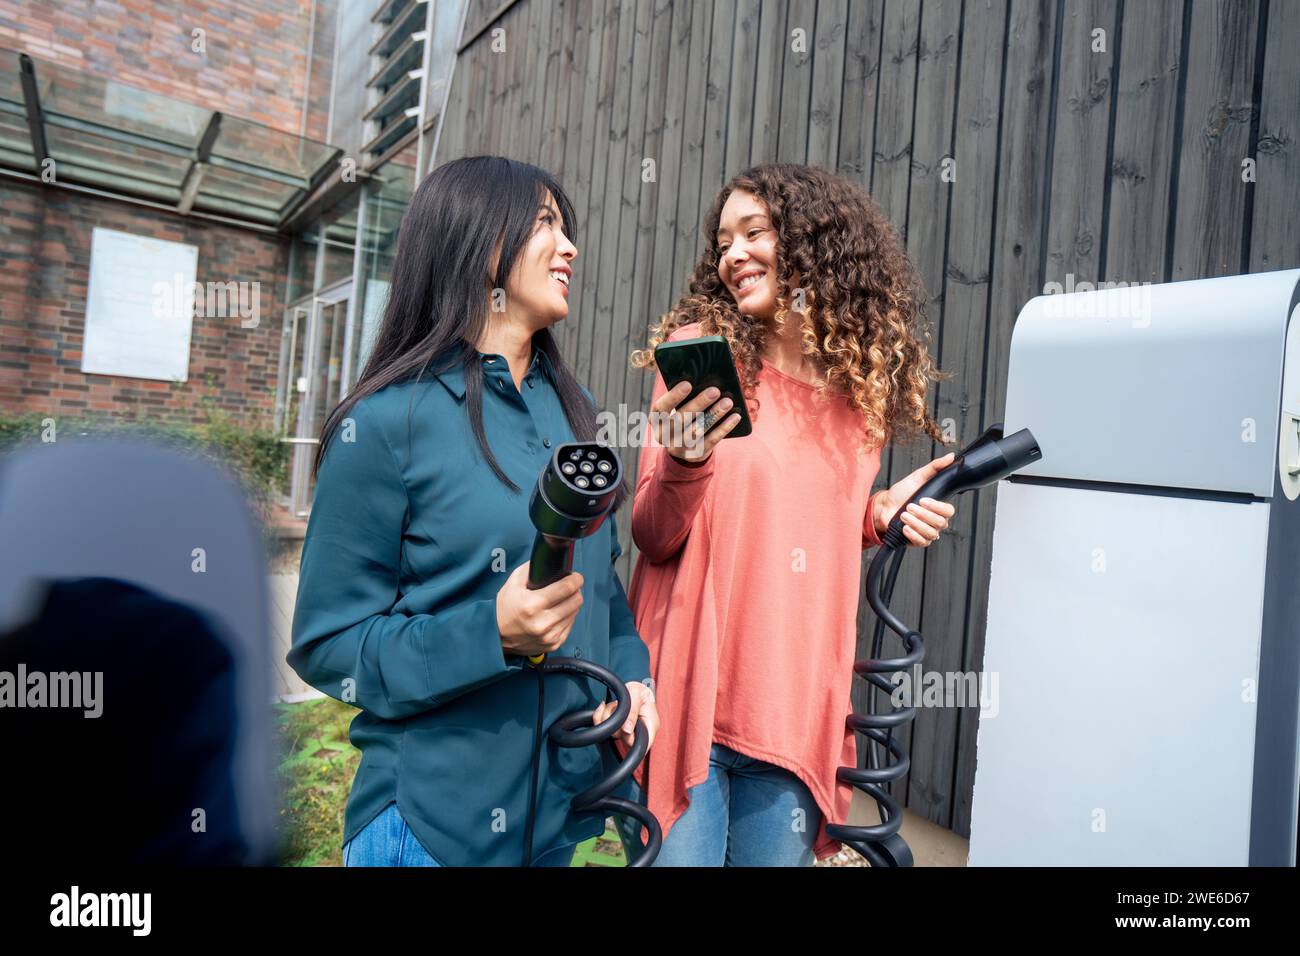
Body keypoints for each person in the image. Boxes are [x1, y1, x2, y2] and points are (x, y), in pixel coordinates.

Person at [288, 156, 658, 867]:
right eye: (546, 223)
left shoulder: (574, 418)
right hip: (430, 828)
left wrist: (632, 670)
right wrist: (490, 633)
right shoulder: (389, 424)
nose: (571, 247)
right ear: (480, 240)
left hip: (556, 823)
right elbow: (327, 644)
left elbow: (603, 591)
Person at [623, 162, 957, 866]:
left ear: (814, 244)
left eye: (755, 232)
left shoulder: (855, 396)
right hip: (689, 706)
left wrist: (874, 516)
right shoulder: (701, 359)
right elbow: (653, 534)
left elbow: (795, 516)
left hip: (790, 709)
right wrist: (685, 461)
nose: (733, 254)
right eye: (723, 241)